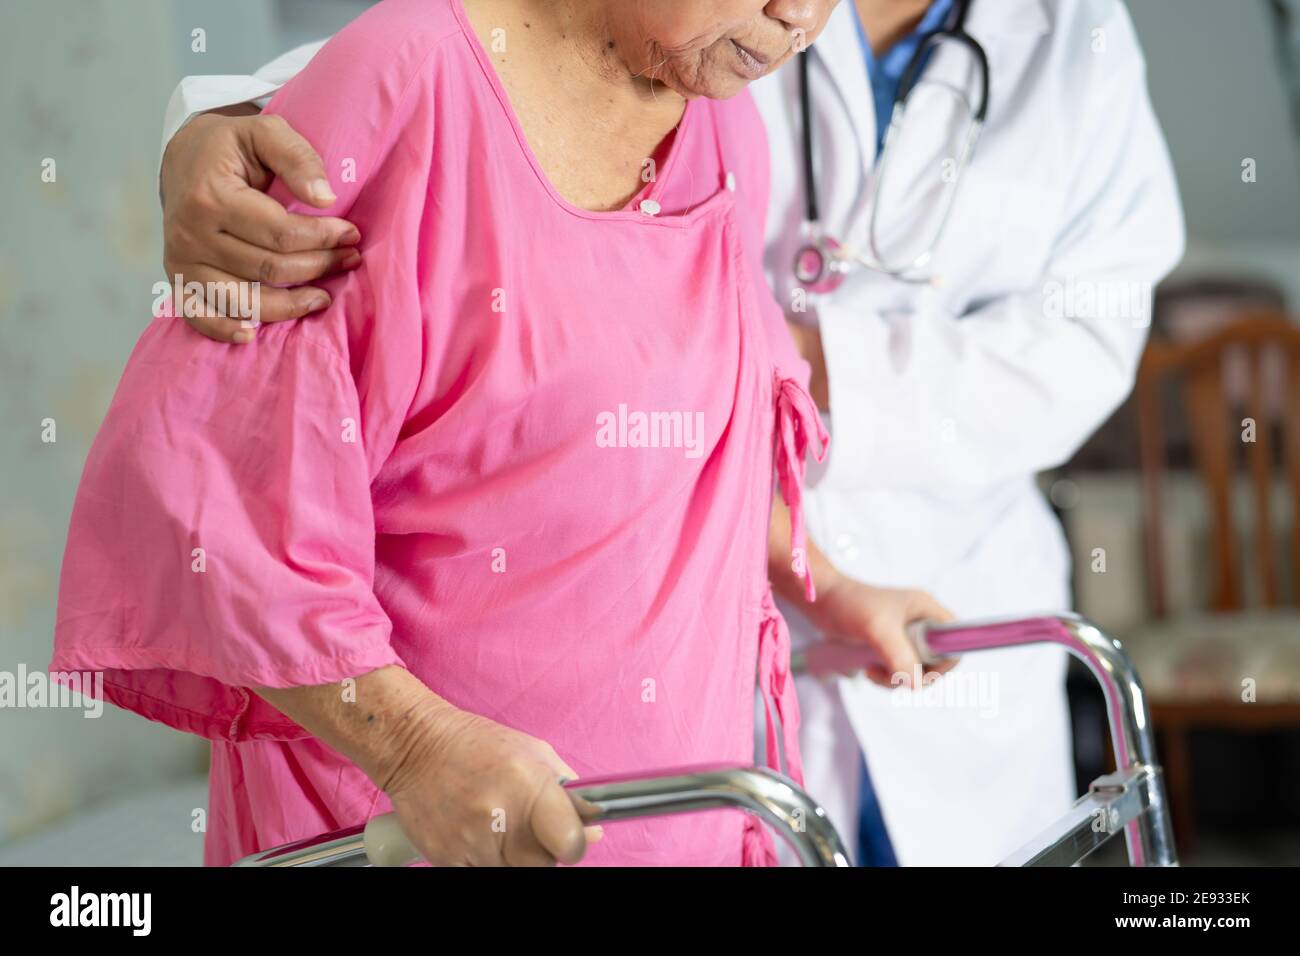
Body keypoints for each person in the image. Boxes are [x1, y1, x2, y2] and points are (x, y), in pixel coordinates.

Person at [53, 0, 895, 868]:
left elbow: (679, 460)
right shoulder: (402, 88)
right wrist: (415, 752)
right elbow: (226, 517)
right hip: (412, 830)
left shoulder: (725, 123)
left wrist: (827, 586)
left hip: (677, 821)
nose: (800, 15)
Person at [756, 0, 1184, 864]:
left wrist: (804, 353)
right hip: (726, 585)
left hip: (961, 590)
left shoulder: (1075, 29)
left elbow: (1087, 342)